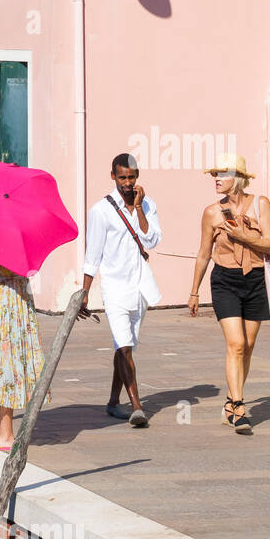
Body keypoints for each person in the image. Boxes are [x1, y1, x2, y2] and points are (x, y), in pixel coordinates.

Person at [187, 154, 270, 434]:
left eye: (222, 174)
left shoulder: (261, 205)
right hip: (225, 281)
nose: (216, 179)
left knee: (247, 346)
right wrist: (193, 292)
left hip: (256, 280)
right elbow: (203, 254)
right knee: (236, 344)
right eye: (214, 174)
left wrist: (242, 236)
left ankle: (228, 402)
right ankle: (239, 407)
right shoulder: (212, 212)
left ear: (237, 178)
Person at [80, 153, 162, 428]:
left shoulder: (148, 204)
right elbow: (93, 255)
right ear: (113, 176)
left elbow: (151, 240)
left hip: (140, 287)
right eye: (123, 177)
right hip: (113, 287)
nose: (128, 183)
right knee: (124, 347)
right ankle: (137, 406)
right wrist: (85, 292)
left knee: (123, 347)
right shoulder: (100, 211)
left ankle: (114, 402)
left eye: (132, 177)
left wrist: (138, 208)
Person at [0, 262, 46, 451]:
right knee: (14, 361)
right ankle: (3, 429)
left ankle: (6, 434)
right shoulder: (22, 240)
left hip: (1, 301)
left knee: (1, 364)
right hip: (21, 296)